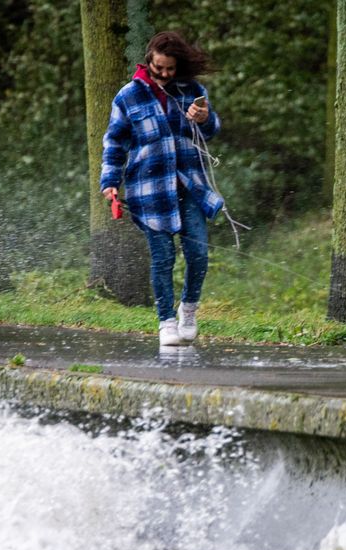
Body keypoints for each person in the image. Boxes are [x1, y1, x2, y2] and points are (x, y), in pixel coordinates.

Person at [100, 31, 223, 347]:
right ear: (148, 62)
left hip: (190, 185)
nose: (165, 74)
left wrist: (205, 118)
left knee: (198, 254)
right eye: (159, 68)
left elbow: (211, 130)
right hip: (149, 191)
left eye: (171, 68)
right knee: (163, 257)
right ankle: (166, 322)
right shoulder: (128, 96)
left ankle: (188, 309)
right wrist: (110, 182)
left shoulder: (192, 90)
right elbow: (114, 142)